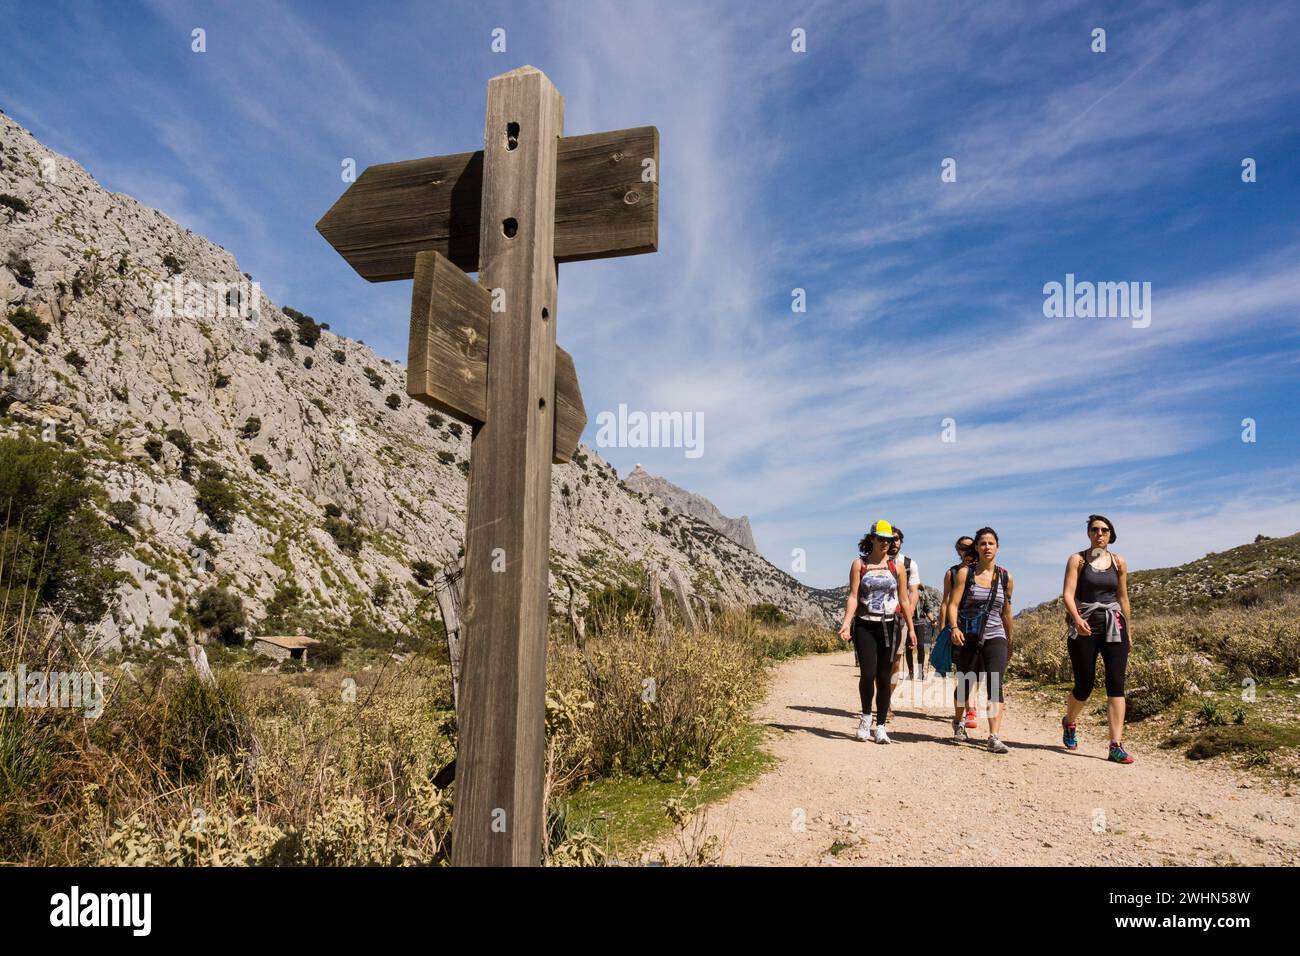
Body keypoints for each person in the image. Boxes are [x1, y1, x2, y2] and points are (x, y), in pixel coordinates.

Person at [1061, 514, 1135, 764]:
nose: (1099, 534)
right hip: (1085, 626)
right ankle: (1069, 721)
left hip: (1115, 625)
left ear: (1110, 535)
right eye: (1094, 530)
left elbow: (1123, 597)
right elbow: (1068, 594)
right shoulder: (1078, 559)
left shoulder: (1119, 562)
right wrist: (1076, 618)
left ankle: (1116, 745)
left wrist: (1129, 632)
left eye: (1104, 530)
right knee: (1085, 684)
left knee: (1116, 684)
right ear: (1089, 534)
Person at [838, 520, 912, 744]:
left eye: (889, 540)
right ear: (871, 538)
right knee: (868, 673)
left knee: (884, 675)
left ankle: (881, 726)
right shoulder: (859, 564)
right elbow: (853, 596)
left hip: (890, 626)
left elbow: (904, 599)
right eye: (881, 539)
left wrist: (911, 628)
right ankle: (865, 718)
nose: (885, 543)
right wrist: (846, 623)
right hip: (864, 625)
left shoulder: (897, 567)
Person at [945, 528, 1014, 754]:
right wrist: (954, 628)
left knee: (995, 683)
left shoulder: (1005, 577)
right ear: (976, 547)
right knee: (966, 682)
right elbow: (953, 604)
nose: (987, 547)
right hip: (969, 635)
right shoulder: (966, 574)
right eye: (982, 543)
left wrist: (1010, 639)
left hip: (996, 635)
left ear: (997, 547)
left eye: (991, 543)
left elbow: (1006, 612)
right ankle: (958, 721)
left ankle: (994, 736)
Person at [939, 536, 978, 726]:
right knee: (963, 668)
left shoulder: (983, 571)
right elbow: (946, 602)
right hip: (958, 625)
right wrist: (942, 629)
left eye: (971, 547)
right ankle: (969, 707)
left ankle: (971, 706)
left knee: (976, 667)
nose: (967, 550)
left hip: (979, 624)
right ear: (958, 550)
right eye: (963, 547)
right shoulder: (952, 573)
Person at [887, 528, 920, 686]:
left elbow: (913, 591)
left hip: (900, 617)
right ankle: (881, 695)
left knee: (896, 659)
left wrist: (909, 611)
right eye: (890, 539)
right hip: (876, 616)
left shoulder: (909, 564)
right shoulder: (876, 562)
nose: (893, 543)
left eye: (896, 539)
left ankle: (887, 698)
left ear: (901, 541)